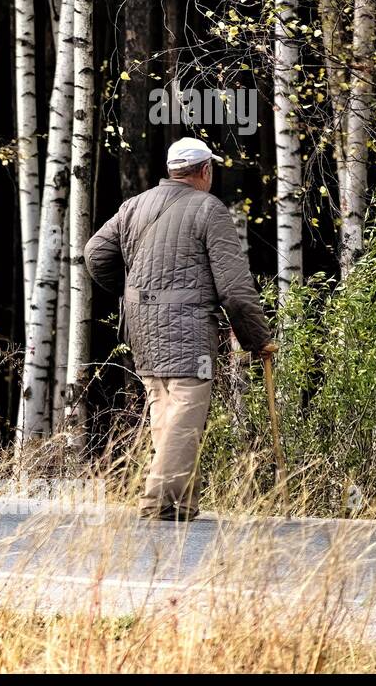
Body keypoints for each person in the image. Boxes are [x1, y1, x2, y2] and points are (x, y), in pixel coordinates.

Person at [84, 137, 277, 521]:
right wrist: (259, 339)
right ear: (204, 171)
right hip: (189, 332)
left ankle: (181, 506)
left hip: (141, 327)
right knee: (186, 417)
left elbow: (94, 254)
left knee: (167, 415)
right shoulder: (209, 209)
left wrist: (133, 294)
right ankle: (156, 502)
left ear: (173, 170)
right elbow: (236, 290)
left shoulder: (133, 206)